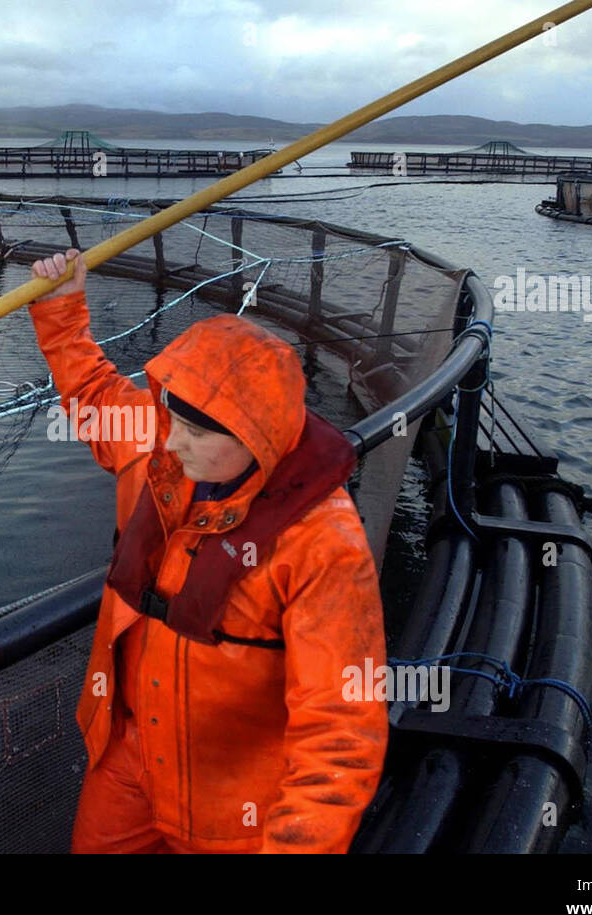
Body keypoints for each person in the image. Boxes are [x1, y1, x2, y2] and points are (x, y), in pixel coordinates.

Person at [28, 248, 388, 854]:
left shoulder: (324, 544)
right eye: (170, 417)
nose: (175, 443)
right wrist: (60, 306)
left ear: (257, 436)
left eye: (198, 432)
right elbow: (92, 395)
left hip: (238, 805)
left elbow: (340, 731)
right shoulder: (158, 441)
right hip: (128, 760)